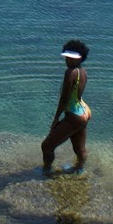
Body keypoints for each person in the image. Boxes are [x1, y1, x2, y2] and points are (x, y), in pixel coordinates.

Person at [41, 39, 91, 175]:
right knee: (79, 148)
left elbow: (64, 99)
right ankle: (80, 169)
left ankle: (46, 171)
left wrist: (56, 118)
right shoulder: (83, 71)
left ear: (79, 59)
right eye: (67, 57)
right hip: (84, 111)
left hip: (74, 115)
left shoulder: (70, 73)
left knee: (46, 146)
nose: (68, 60)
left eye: (71, 58)